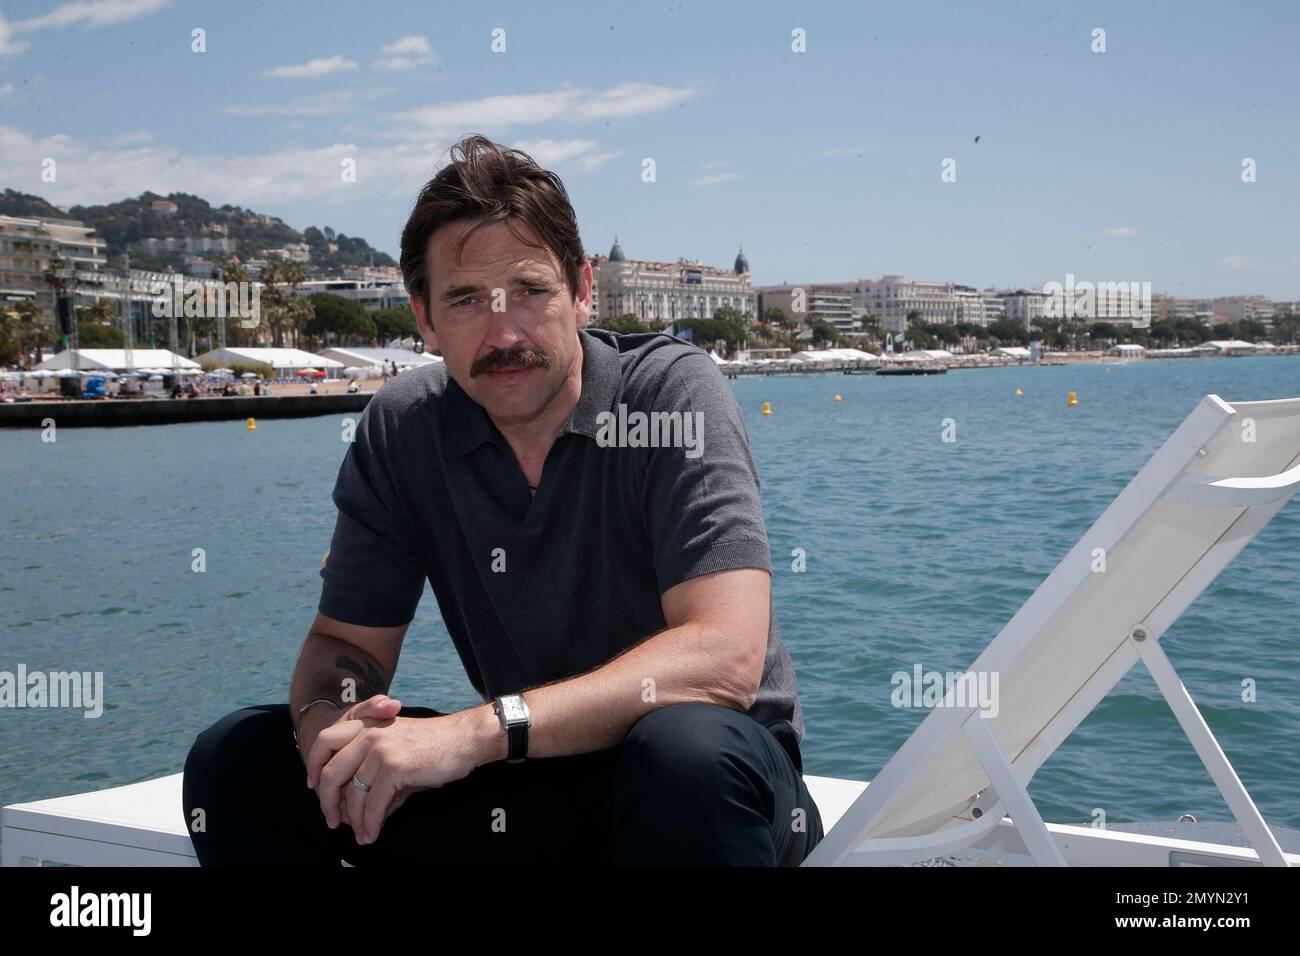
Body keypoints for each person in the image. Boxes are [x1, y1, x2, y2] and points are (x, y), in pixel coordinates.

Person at [182, 135, 821, 867]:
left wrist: (476, 733)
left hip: (721, 784)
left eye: (531, 291)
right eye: (465, 301)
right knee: (236, 763)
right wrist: (330, 724)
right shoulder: (405, 428)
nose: (506, 331)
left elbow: (723, 658)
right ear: (423, 318)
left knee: (681, 755)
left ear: (582, 290)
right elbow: (346, 647)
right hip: (535, 780)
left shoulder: (669, 394)